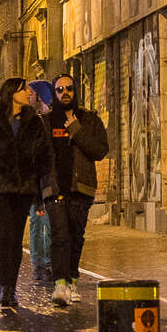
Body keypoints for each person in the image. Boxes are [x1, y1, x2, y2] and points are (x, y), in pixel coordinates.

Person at [0, 77, 55, 314]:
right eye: (23, 89)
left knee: (16, 239)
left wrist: (39, 189)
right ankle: (4, 288)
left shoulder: (34, 122)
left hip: (24, 189)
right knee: (3, 236)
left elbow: (45, 157)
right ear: (11, 93)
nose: (29, 92)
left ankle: (11, 288)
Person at [44, 73, 109, 307]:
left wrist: (77, 130)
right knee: (59, 235)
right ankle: (59, 283)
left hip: (81, 188)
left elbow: (100, 150)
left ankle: (72, 279)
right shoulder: (46, 122)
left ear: (75, 90)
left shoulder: (89, 120)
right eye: (60, 89)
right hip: (54, 189)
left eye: (69, 88)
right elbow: (39, 156)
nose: (65, 93)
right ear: (54, 93)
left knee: (75, 237)